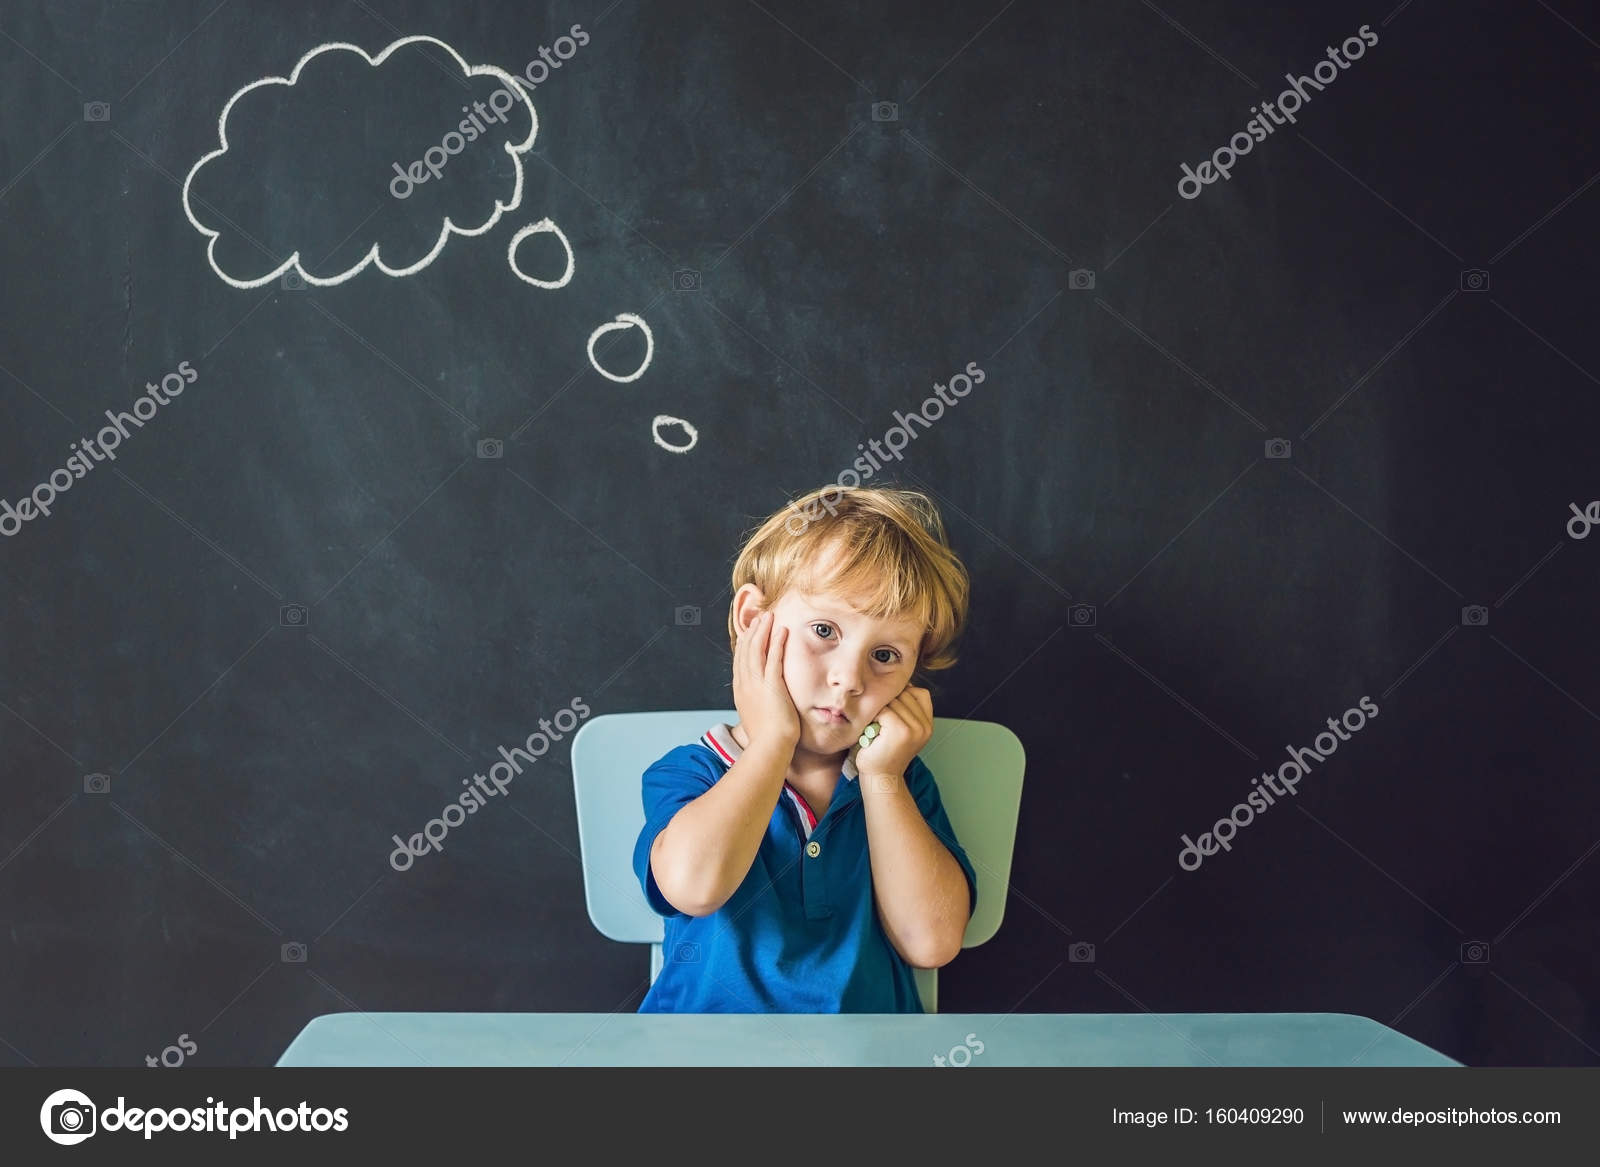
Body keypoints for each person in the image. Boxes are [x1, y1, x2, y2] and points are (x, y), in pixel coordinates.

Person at [632, 484, 978, 1011]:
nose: (849, 679)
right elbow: (694, 887)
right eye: (824, 630)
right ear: (753, 620)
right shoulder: (692, 772)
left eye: (885, 655)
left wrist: (884, 779)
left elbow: (930, 943)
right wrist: (773, 739)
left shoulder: (901, 780)